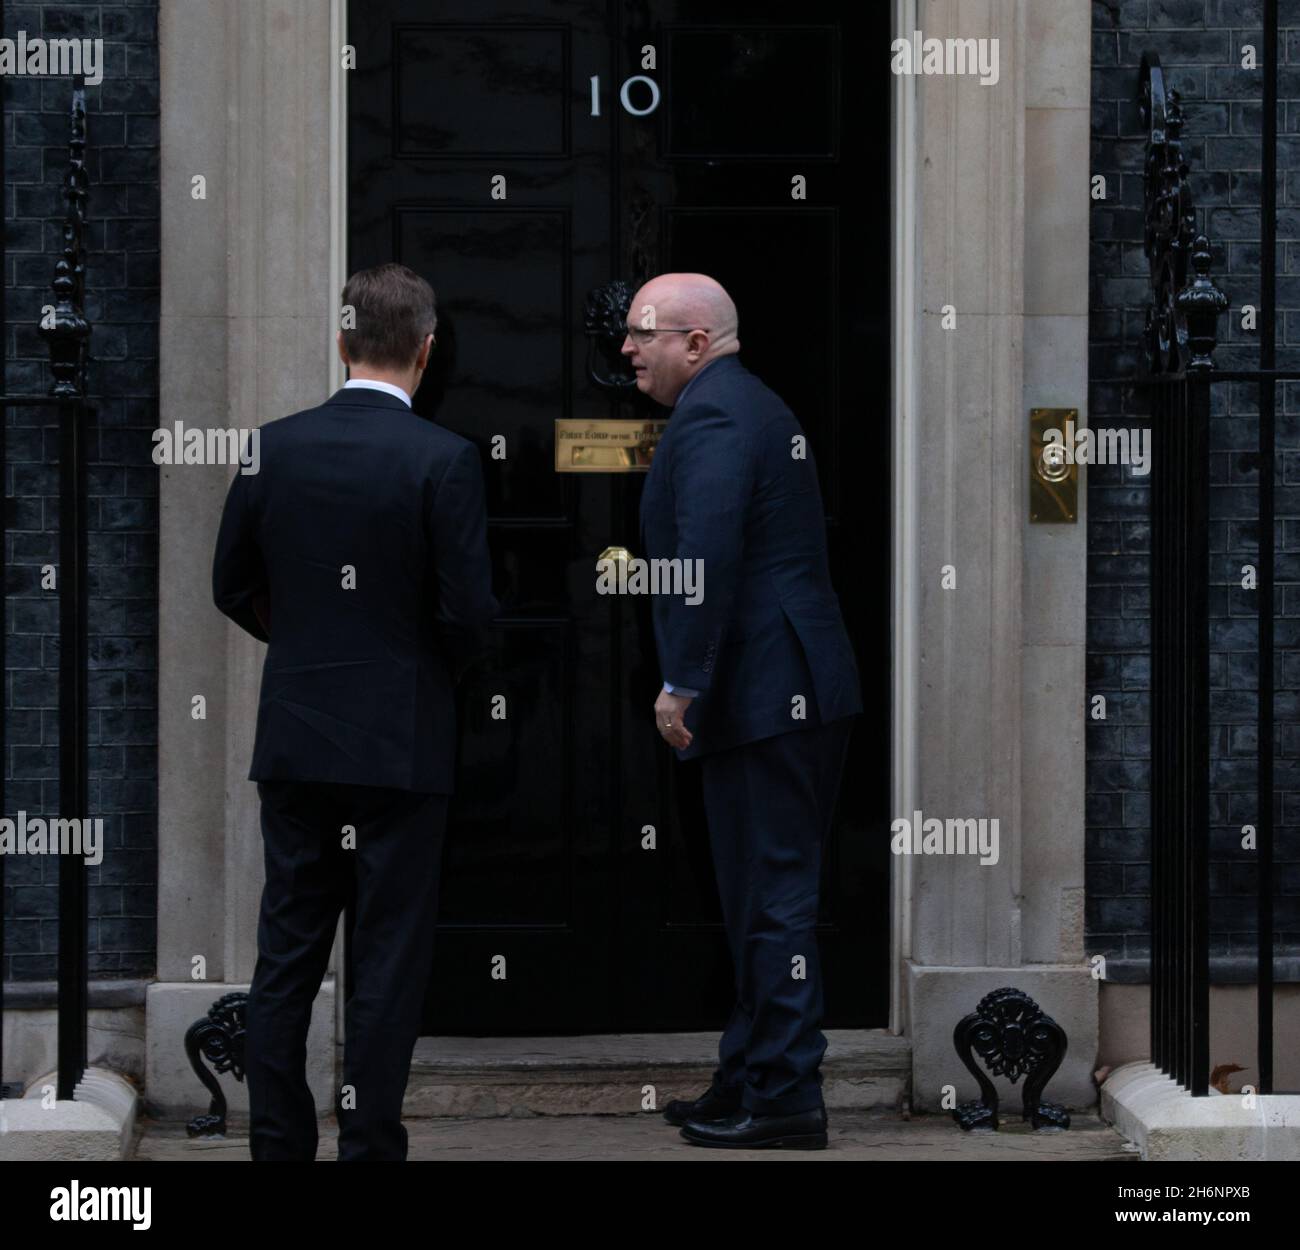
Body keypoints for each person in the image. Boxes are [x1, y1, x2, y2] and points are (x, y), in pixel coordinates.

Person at [211, 262, 497, 1161]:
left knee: (287, 954)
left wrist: (304, 647)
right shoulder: (444, 459)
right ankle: (370, 1145)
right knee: (387, 960)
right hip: (402, 747)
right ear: (427, 349)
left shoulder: (271, 447)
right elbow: (470, 616)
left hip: (297, 738)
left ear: (341, 342)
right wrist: (423, 675)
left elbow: (230, 586)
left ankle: (278, 1145)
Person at [628, 273, 862, 1149]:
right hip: (776, 691)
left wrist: (682, 680)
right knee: (756, 897)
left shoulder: (718, 415)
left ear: (696, 343)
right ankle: (749, 1075)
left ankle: (788, 1095)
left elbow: (707, 555)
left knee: (772, 901)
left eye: (642, 332)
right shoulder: (736, 404)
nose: (627, 348)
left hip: (768, 694)